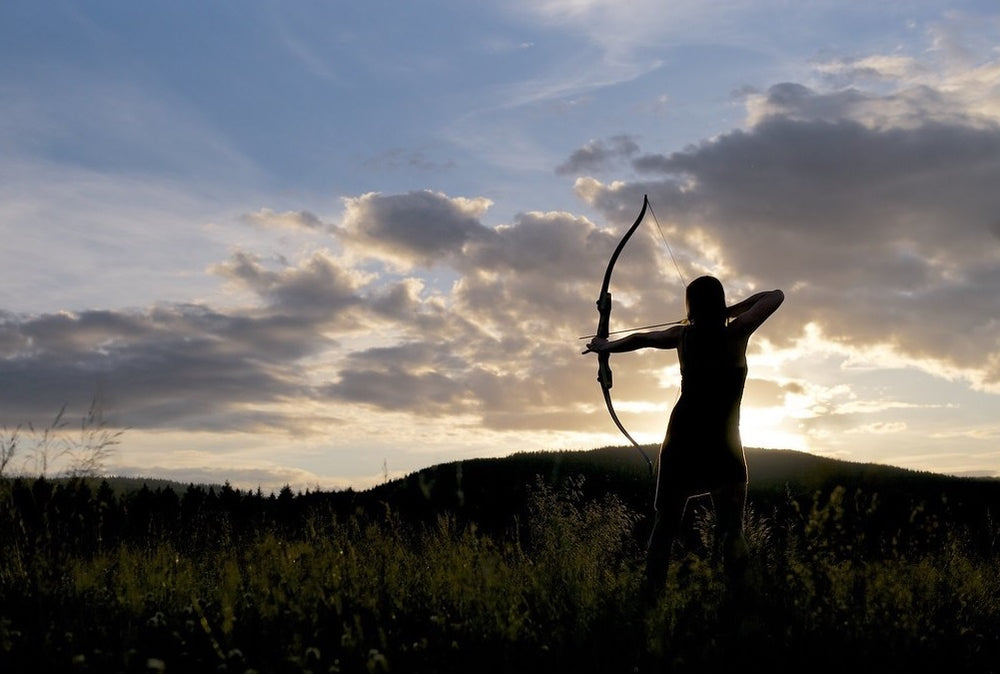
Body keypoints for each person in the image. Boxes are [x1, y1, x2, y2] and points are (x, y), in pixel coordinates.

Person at [584, 276, 784, 593]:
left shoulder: (683, 336)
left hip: (683, 438)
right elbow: (775, 295)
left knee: (666, 525)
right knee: (732, 529)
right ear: (719, 304)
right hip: (723, 440)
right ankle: (739, 598)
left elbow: (640, 339)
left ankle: (650, 597)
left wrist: (606, 346)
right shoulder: (736, 332)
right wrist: (730, 310)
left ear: (690, 306)